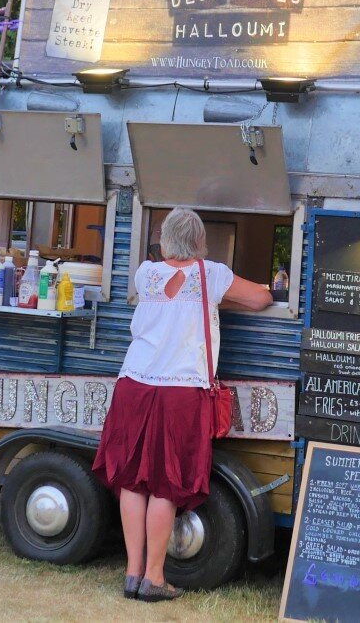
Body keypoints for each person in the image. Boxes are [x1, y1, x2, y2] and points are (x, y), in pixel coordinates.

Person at [92, 207, 274, 602]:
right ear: (201, 241)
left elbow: (171, 295)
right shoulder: (212, 275)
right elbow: (261, 298)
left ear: (163, 240)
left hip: (134, 385)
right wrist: (219, 302)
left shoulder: (145, 273)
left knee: (133, 480)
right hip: (180, 391)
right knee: (166, 483)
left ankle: (132, 573)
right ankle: (155, 578)